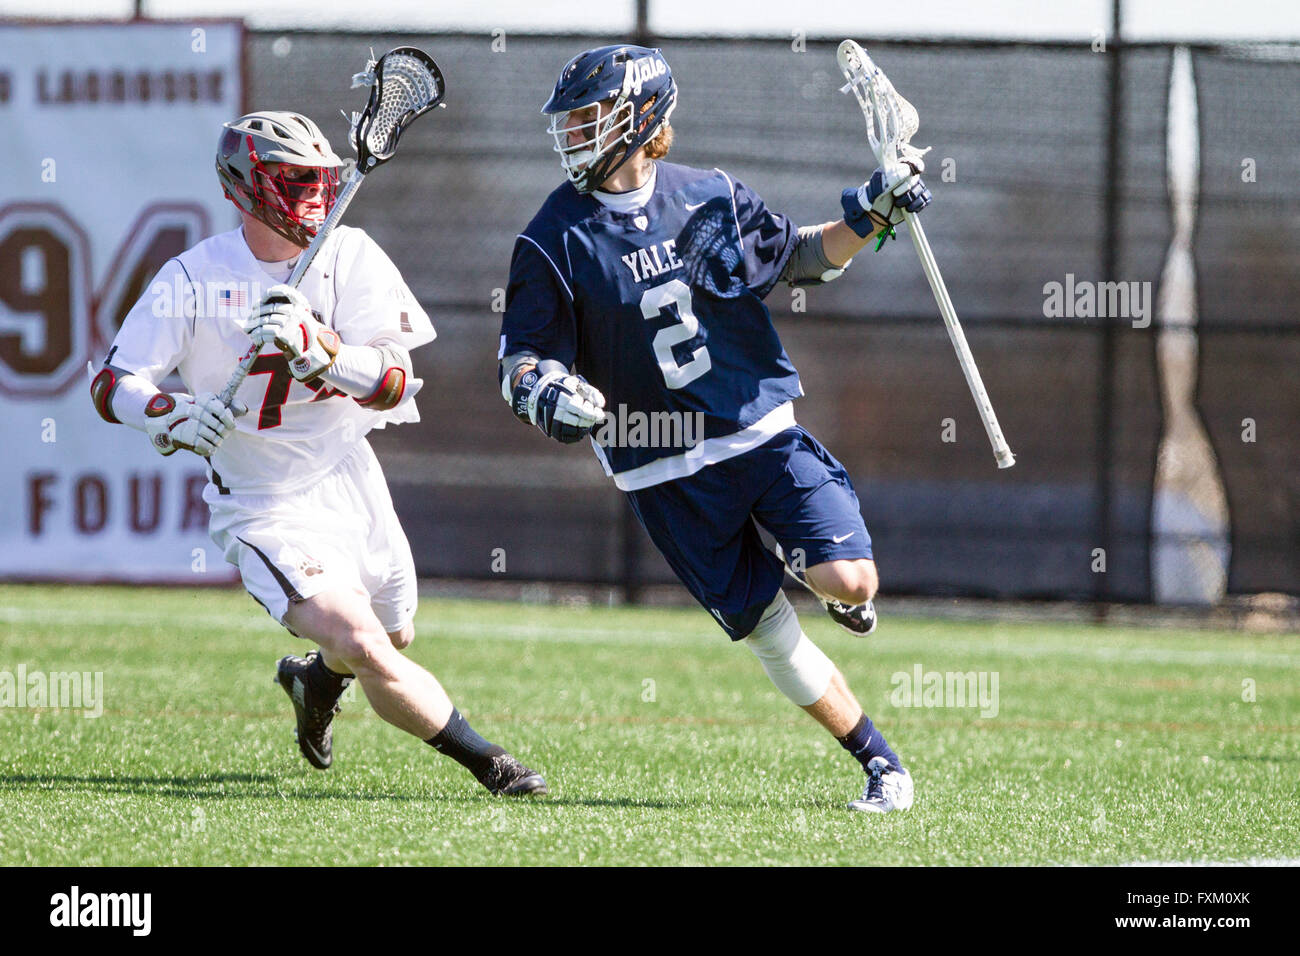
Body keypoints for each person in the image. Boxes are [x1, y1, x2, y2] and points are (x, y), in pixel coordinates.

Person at [498, 46, 932, 812]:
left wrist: (875, 214)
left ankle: (831, 570)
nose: (571, 134)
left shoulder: (710, 197)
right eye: (566, 121)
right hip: (661, 472)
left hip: (757, 433)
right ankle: (882, 765)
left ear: (638, 121)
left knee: (849, 580)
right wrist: (547, 392)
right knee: (771, 635)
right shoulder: (552, 239)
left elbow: (797, 258)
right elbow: (520, 361)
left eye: (587, 118)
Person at [91, 110, 545, 796]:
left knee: (394, 636)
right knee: (361, 642)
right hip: (263, 504)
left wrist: (323, 353)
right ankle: (491, 763)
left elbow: (394, 383)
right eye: (294, 179)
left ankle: (311, 681)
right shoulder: (192, 278)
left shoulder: (349, 254)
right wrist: (171, 414)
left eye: (318, 179)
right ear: (247, 186)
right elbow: (112, 383)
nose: (312, 193)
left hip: (349, 476)